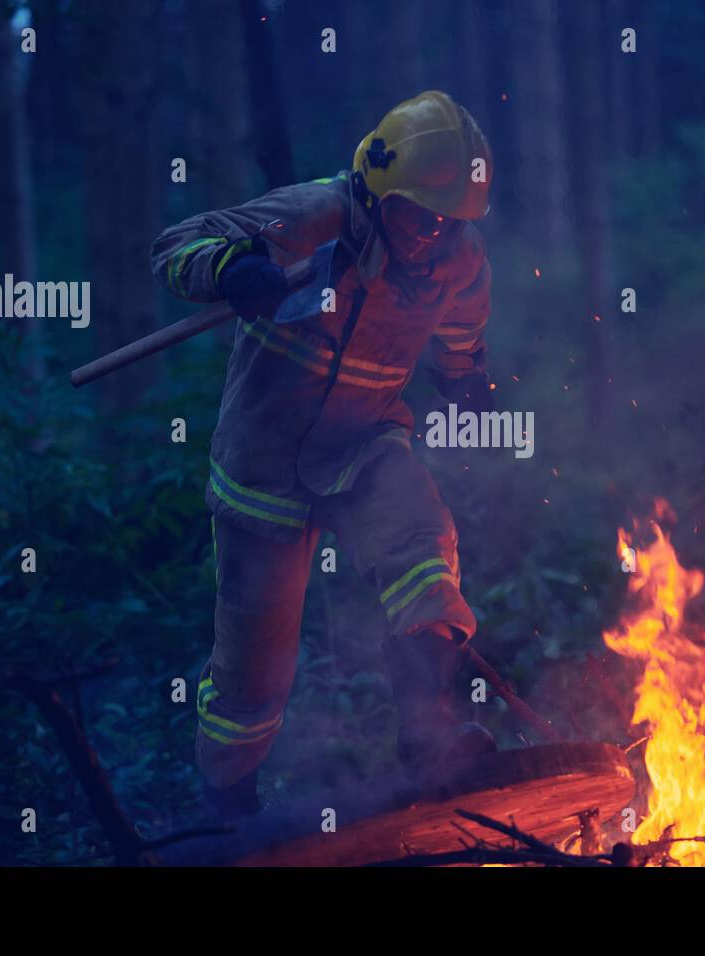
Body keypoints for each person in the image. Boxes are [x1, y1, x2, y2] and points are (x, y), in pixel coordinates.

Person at [150, 91, 497, 818]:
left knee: (422, 548)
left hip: (364, 444)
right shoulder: (312, 215)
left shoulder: (459, 262)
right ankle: (227, 799)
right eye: (418, 215)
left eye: (447, 221)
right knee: (255, 671)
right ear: (377, 189)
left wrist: (465, 378)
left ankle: (433, 742)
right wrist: (230, 268)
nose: (431, 236)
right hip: (262, 471)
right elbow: (175, 246)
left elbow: (462, 331)